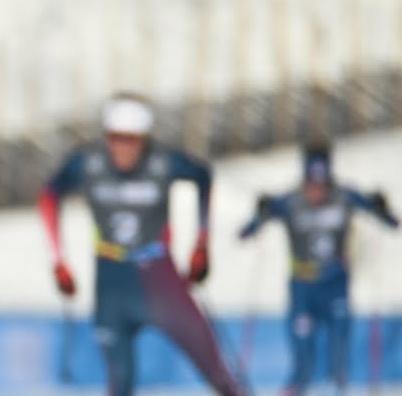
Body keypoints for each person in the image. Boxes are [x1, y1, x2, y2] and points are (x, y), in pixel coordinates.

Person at [39, 92, 244, 396]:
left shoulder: (163, 161)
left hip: (158, 276)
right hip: (111, 278)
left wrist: (201, 245)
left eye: (131, 140)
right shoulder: (88, 162)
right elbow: (49, 195)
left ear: (144, 139)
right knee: (119, 381)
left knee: (215, 370)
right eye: (115, 138)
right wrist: (59, 262)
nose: (121, 148)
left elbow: (203, 176)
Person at [238, 141, 398, 396]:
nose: (317, 192)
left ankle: (339, 388)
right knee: (304, 361)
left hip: (336, 283)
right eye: (312, 185)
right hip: (303, 287)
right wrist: (261, 210)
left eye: (322, 185)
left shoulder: (344, 197)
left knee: (339, 357)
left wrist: (381, 205)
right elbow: (246, 232)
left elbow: (390, 221)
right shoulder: (290, 201)